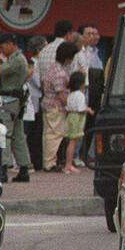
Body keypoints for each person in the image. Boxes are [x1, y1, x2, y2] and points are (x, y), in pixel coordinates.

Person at [0, 33, 33, 182]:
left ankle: (3, 168)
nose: (1, 48)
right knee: (18, 135)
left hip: (9, 99)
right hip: (16, 99)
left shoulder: (17, 59)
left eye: (3, 45)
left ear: (11, 44)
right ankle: (23, 168)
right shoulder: (18, 58)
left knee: (4, 133)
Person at [41, 42, 75, 172]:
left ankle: (48, 161)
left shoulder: (53, 68)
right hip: (55, 107)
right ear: (67, 58)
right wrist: (70, 106)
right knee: (55, 135)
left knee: (48, 134)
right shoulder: (60, 73)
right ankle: (50, 163)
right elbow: (61, 94)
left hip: (47, 104)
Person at [23, 36, 47, 171]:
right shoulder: (34, 64)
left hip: (36, 101)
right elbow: (39, 82)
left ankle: (36, 161)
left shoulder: (37, 63)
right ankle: (32, 160)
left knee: (36, 133)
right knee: (32, 134)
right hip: (33, 100)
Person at [64, 72, 92, 172]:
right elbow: (81, 108)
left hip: (70, 117)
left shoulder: (70, 94)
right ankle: (69, 164)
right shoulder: (80, 95)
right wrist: (88, 109)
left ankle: (68, 163)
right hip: (77, 119)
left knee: (70, 142)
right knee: (73, 142)